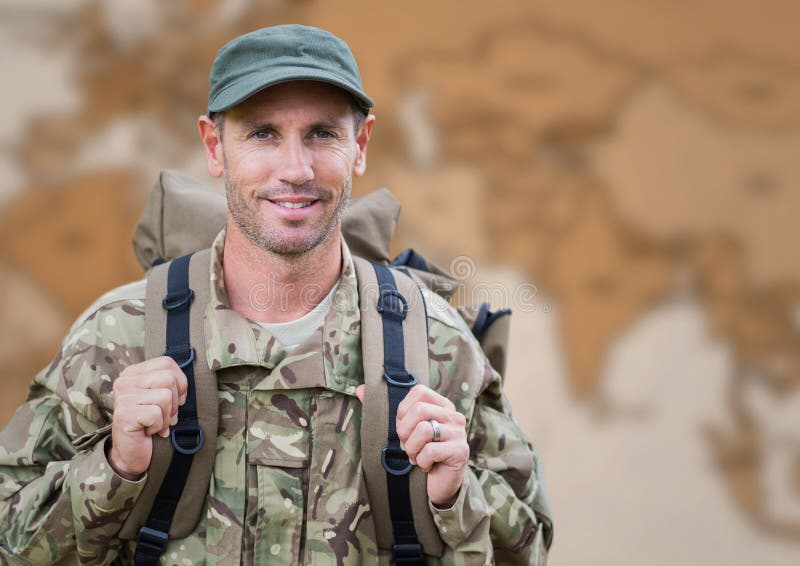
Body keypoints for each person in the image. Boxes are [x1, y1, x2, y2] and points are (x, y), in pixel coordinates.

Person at [0, 25, 551, 564]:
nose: (295, 169)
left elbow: (529, 551)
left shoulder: (435, 347)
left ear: (359, 146)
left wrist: (456, 495)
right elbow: (10, 540)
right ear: (215, 147)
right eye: (262, 133)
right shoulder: (118, 336)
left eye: (322, 133)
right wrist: (116, 467)